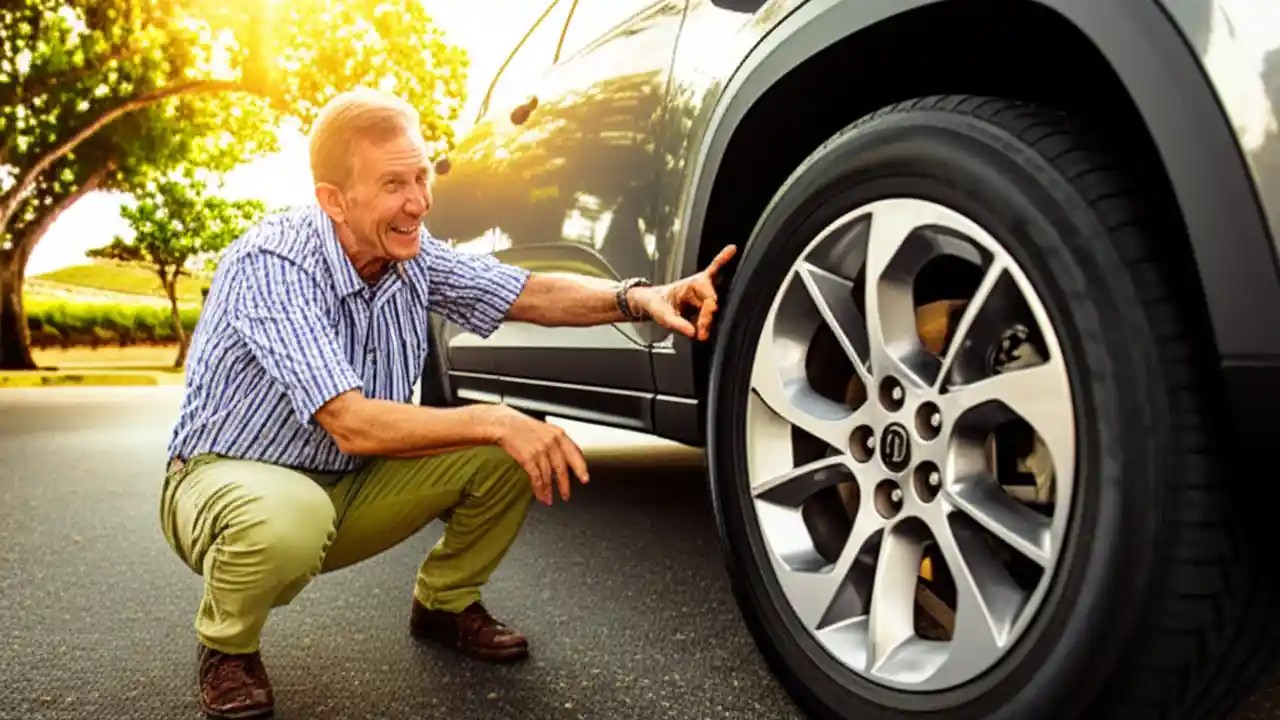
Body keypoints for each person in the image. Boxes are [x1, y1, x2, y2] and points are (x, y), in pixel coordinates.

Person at [158, 87, 737, 720]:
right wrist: (493, 418)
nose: (418, 201)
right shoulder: (275, 262)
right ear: (333, 200)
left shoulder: (411, 253)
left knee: (508, 455)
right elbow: (349, 422)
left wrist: (637, 297)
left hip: (348, 484)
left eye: (421, 175)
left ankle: (444, 604)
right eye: (392, 185)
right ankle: (227, 647)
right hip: (228, 480)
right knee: (291, 519)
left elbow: (528, 293)